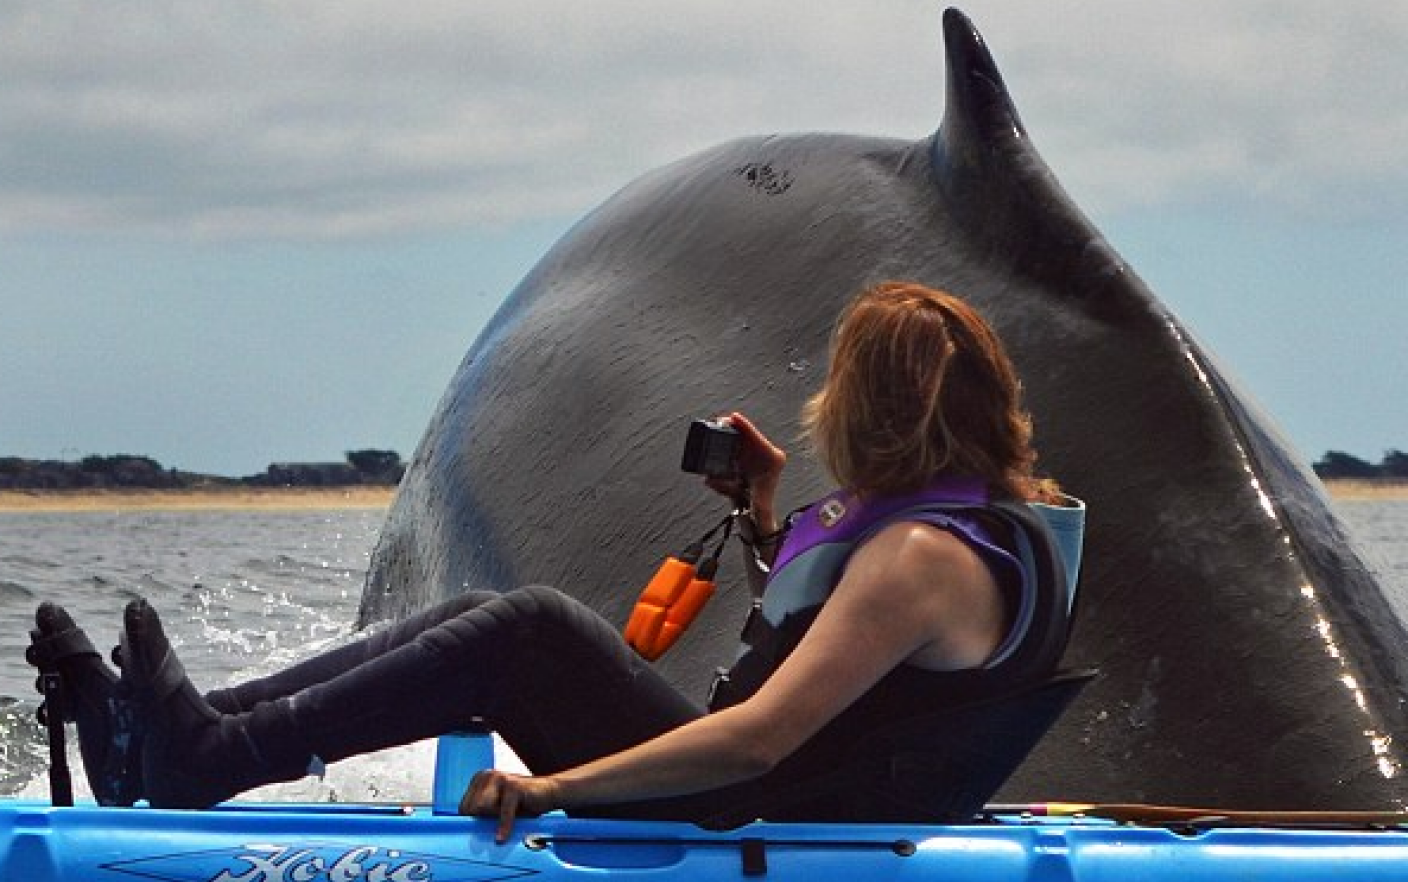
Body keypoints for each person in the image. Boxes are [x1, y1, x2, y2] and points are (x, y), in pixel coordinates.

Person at [25, 281, 1082, 841]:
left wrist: (552, 789)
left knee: (526, 630)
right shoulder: (965, 532)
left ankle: (202, 757)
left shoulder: (917, 557)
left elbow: (763, 737)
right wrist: (763, 515)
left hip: (750, 808)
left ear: (873, 412)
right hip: (780, 791)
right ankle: (186, 734)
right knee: (491, 615)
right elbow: (838, 665)